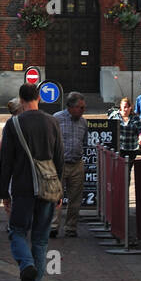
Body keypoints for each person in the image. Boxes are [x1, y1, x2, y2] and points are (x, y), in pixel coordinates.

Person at [0, 82, 64, 281]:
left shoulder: (13, 123)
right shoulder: (52, 122)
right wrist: (60, 191)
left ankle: (26, 265)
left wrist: (3, 193)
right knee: (40, 239)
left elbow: (6, 162)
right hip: (48, 187)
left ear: (21, 99)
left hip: (23, 187)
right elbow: (59, 159)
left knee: (17, 231)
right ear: (39, 98)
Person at [51, 91, 87, 238]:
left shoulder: (83, 122)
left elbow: (84, 141)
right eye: (80, 107)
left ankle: (71, 227)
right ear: (71, 107)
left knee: (75, 198)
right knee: (55, 196)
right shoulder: (57, 119)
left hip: (77, 163)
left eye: (83, 107)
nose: (83, 110)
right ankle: (53, 226)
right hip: (60, 164)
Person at [108, 96, 141, 171]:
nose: (125, 109)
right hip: (119, 148)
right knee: (119, 170)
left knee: (127, 170)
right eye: (124, 107)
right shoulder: (114, 116)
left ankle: (126, 182)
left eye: (127, 107)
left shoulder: (135, 117)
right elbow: (108, 128)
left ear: (130, 108)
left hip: (131, 148)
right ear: (120, 107)